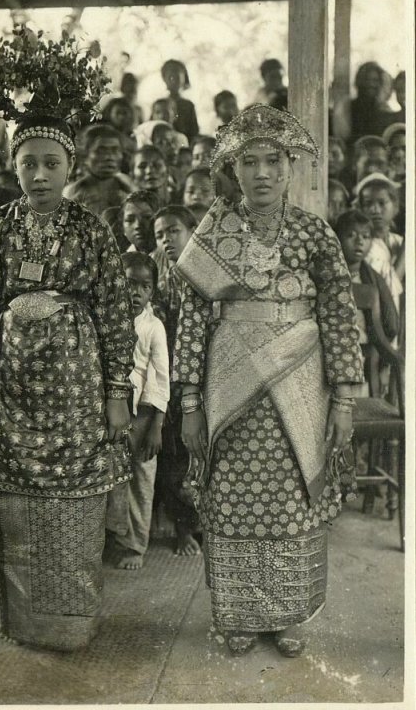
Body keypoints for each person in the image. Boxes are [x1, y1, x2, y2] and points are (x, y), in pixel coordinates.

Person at [0, 28, 136, 651]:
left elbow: (116, 313)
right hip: (11, 384)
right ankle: (28, 623)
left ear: (71, 168)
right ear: (13, 164)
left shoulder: (91, 229)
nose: (38, 174)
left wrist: (119, 392)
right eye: (27, 162)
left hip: (78, 386)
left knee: (75, 500)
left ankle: (71, 623)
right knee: (16, 502)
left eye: (51, 163)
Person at [172, 104, 364, 657]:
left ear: (290, 166)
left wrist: (344, 400)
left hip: (300, 386)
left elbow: (337, 315)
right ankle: (237, 614)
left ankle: (286, 614)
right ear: (233, 170)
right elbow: (190, 320)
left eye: (272, 161)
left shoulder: (314, 233)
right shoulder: (212, 236)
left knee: (289, 501)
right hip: (228, 384)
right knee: (233, 499)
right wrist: (189, 402)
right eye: (249, 162)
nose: (261, 173)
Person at [107, 252, 170, 570]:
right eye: (130, 283)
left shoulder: (153, 327)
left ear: (153, 291)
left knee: (142, 479)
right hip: (111, 410)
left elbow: (161, 377)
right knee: (110, 479)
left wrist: (156, 425)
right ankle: (114, 538)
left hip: (144, 414)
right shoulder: (106, 319)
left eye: (145, 286)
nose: (136, 292)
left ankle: (136, 546)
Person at [153, 206, 202, 556]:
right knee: (176, 455)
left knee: (205, 451)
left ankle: (208, 525)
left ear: (191, 230)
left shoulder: (206, 270)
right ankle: (183, 528)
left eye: (173, 231)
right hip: (170, 371)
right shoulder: (157, 273)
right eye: (160, 235)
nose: (167, 240)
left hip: (205, 371)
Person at [334, 209, 398, 394]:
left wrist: (380, 354)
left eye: (365, 236)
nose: (359, 241)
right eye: (351, 235)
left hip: (366, 356)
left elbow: (391, 323)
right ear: (337, 238)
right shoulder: (329, 275)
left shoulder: (373, 279)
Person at [356, 174, 404, 313]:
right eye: (368, 204)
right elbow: (389, 289)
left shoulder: (397, 240)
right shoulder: (364, 246)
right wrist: (406, 251)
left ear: (395, 207)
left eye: (382, 203)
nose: (375, 210)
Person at [63, 124, 134, 216]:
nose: (109, 157)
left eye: (115, 150)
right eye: (101, 151)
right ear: (85, 156)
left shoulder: (129, 189)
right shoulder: (73, 193)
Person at [158, 59, 199, 143]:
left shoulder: (188, 105)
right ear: (164, 79)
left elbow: (194, 133)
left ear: (184, 78)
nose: (173, 79)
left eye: (177, 75)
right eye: (170, 76)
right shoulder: (160, 104)